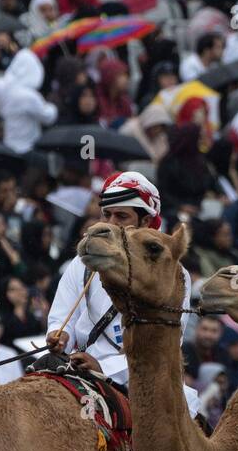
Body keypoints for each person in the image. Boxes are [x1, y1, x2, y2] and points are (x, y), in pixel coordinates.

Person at [43, 171, 194, 418]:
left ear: (145, 222)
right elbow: (62, 316)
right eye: (107, 214)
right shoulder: (81, 263)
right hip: (75, 366)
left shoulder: (173, 273)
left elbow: (163, 347)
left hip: (133, 379)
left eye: (121, 216)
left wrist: (105, 368)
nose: (110, 223)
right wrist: (59, 335)